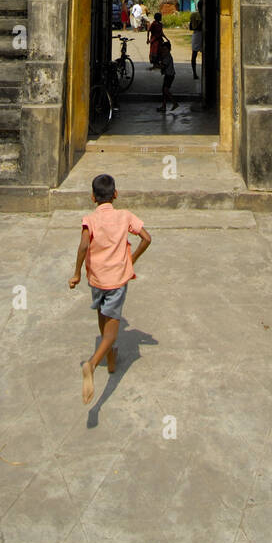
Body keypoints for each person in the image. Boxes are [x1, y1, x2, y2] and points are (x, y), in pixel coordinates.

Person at [69, 173, 152, 404]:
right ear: (115, 194)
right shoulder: (125, 216)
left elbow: (83, 246)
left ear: (93, 197)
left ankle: (111, 358)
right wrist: (131, 259)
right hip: (116, 280)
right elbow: (147, 238)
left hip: (96, 279)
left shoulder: (90, 219)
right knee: (112, 330)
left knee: (102, 317)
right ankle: (92, 364)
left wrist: (76, 273)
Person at [156, 35, 179, 113]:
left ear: (169, 50)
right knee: (164, 91)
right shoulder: (165, 56)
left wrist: (156, 67)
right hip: (168, 75)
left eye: (165, 49)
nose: (164, 51)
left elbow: (163, 66)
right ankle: (164, 106)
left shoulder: (168, 57)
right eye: (163, 49)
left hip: (170, 76)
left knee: (165, 90)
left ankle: (174, 103)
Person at [189, 0, 203, 80]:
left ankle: (194, 73)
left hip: (196, 34)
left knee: (194, 54)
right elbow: (198, 26)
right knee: (195, 54)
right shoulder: (199, 15)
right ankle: (194, 73)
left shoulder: (193, 15)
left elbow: (190, 27)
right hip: (199, 34)